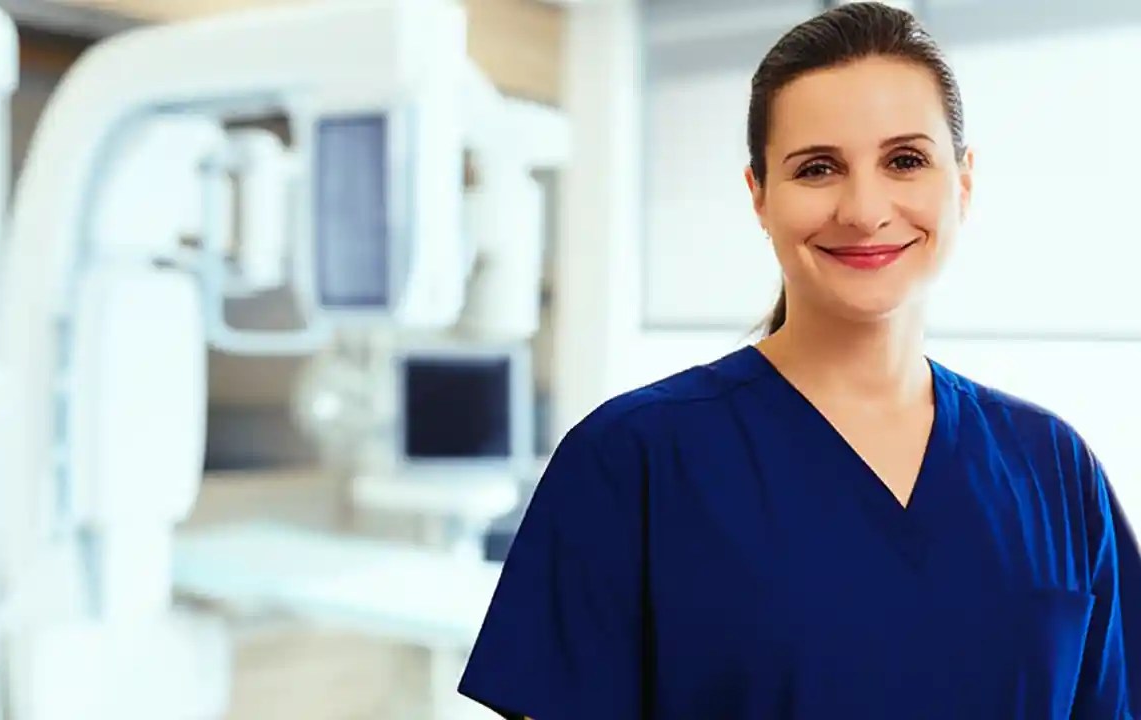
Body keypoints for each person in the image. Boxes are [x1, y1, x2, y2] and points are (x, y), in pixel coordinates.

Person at [455, 3, 1141, 718]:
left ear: (962, 183)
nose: (865, 209)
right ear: (759, 197)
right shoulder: (631, 462)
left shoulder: (1055, 469)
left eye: (905, 160)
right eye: (818, 169)